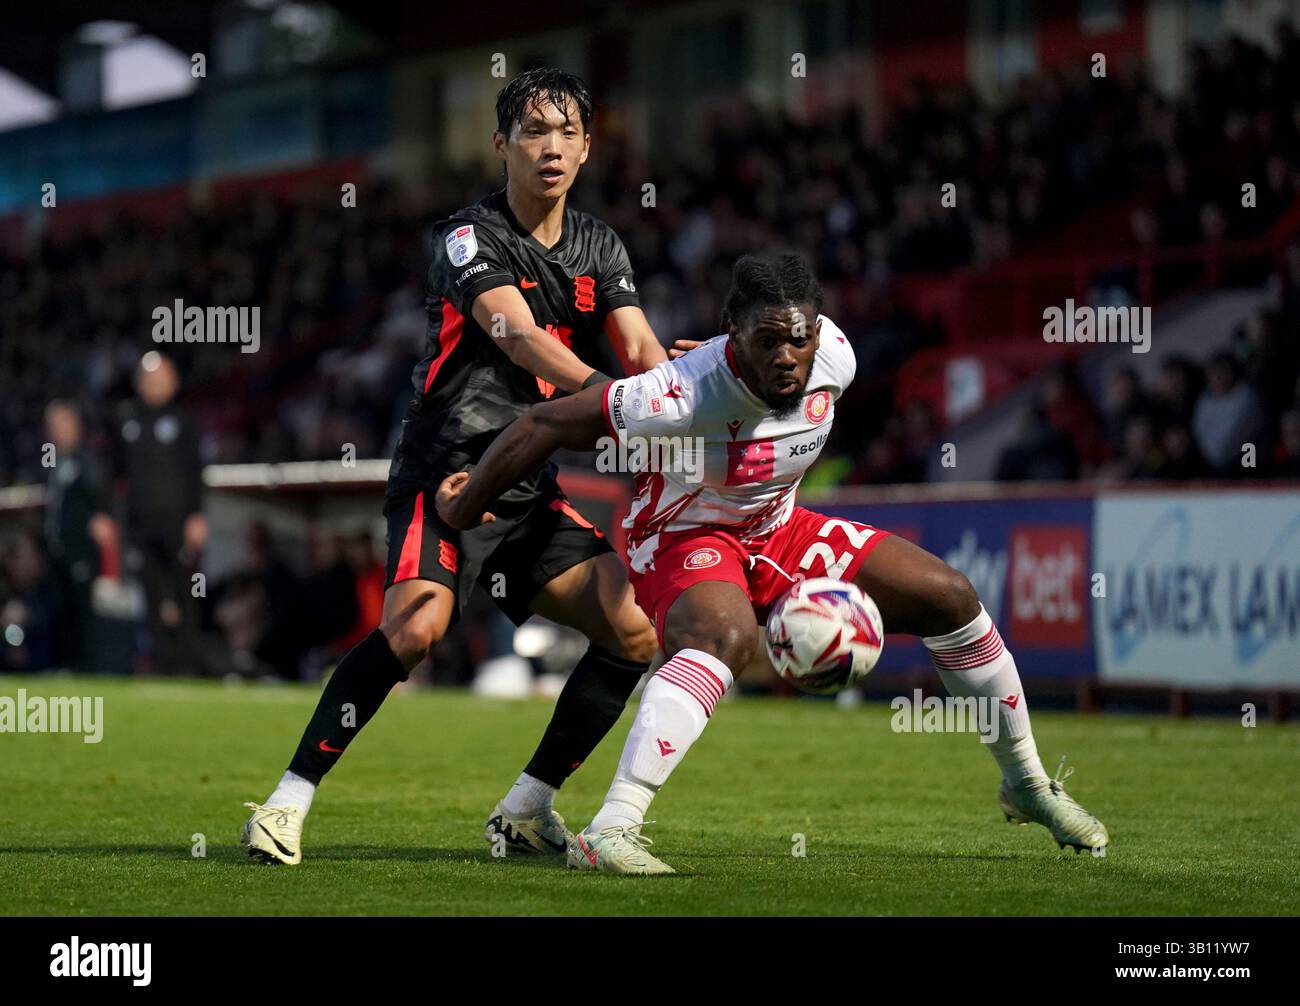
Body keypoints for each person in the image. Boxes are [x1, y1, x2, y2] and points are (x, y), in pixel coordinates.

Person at [437, 252, 1110, 874]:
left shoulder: (836, 356)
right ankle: (613, 827)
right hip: (681, 532)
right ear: (732, 333)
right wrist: (468, 506)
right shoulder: (679, 394)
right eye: (767, 342)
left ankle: (1026, 785)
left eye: (800, 338)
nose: (789, 358)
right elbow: (541, 427)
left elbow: (814, 362)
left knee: (951, 596)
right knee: (725, 638)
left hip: (779, 528)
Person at [243, 68, 665, 865]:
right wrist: (616, 398)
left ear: (586, 147)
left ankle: (526, 808)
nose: (551, 147)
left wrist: (676, 386)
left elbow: (640, 346)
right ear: (500, 144)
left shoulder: (601, 244)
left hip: (528, 480)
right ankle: (284, 804)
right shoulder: (465, 236)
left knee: (633, 634)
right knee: (416, 628)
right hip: (448, 468)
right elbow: (516, 335)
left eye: (567, 132)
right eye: (533, 132)